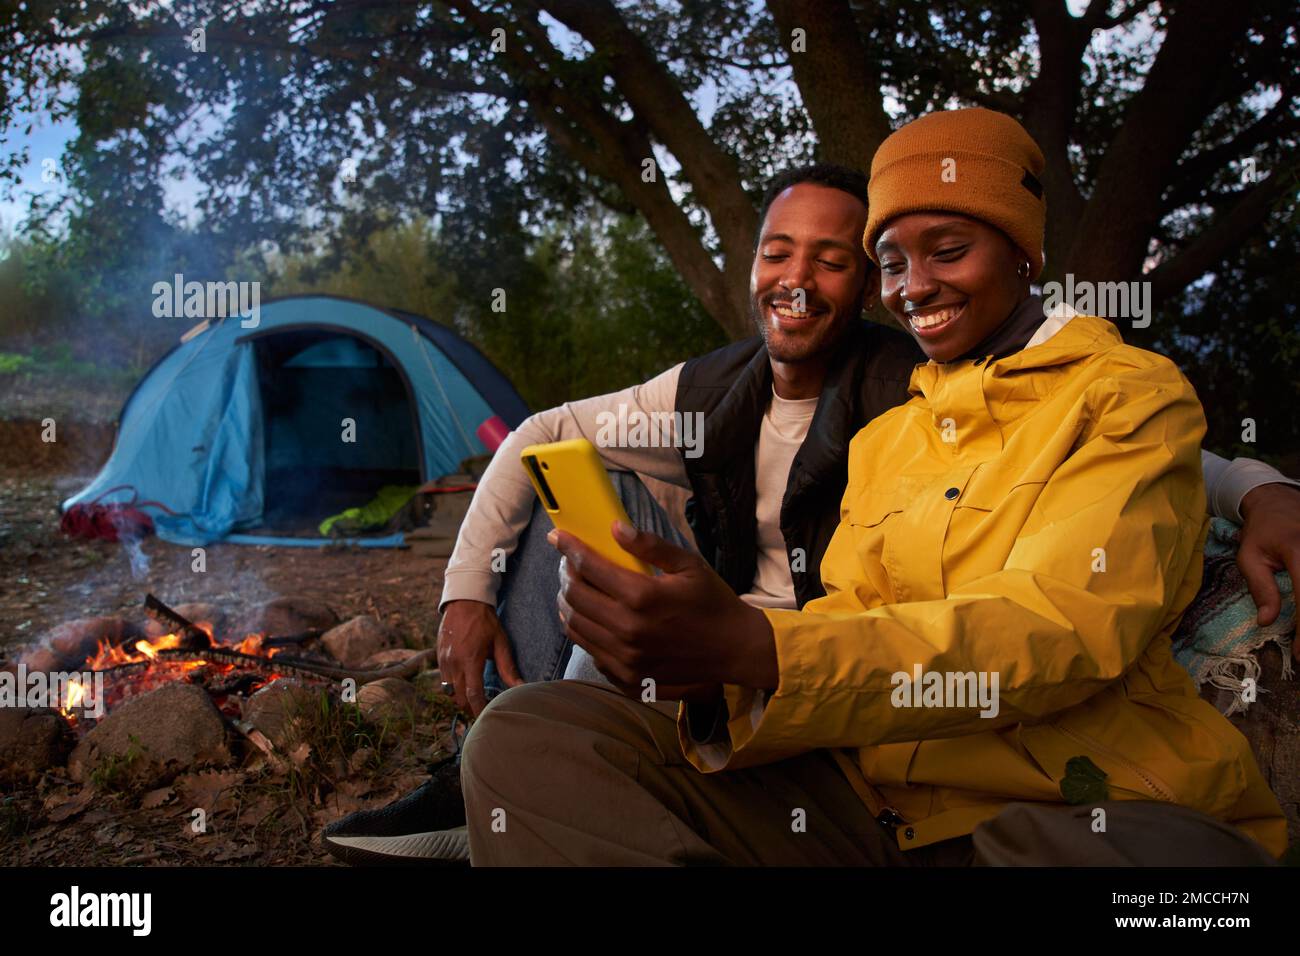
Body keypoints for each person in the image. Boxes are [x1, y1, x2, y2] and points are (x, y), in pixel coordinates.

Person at [322, 157, 1300, 865]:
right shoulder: (720, 386)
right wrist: (466, 591)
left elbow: (1121, 504)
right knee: (561, 569)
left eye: (835, 259)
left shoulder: (919, 382)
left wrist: (1257, 483)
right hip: (781, 715)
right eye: (781, 249)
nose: (799, 278)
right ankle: (497, 771)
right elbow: (539, 432)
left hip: (837, 693)